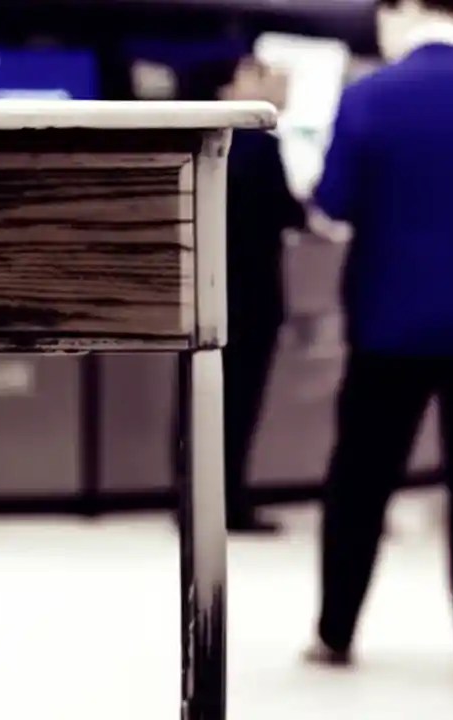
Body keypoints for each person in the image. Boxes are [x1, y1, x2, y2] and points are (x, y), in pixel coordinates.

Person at [304, 0, 453, 668]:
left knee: (360, 479)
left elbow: (333, 203)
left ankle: (337, 630)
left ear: (404, 10)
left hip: (389, 324)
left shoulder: (370, 96)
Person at [179, 55, 304, 534]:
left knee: (199, 402)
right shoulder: (258, 147)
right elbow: (288, 213)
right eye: (257, 74)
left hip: (201, 293)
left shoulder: (193, 145)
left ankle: (193, 501)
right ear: (228, 87)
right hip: (251, 299)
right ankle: (228, 503)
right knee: (237, 404)